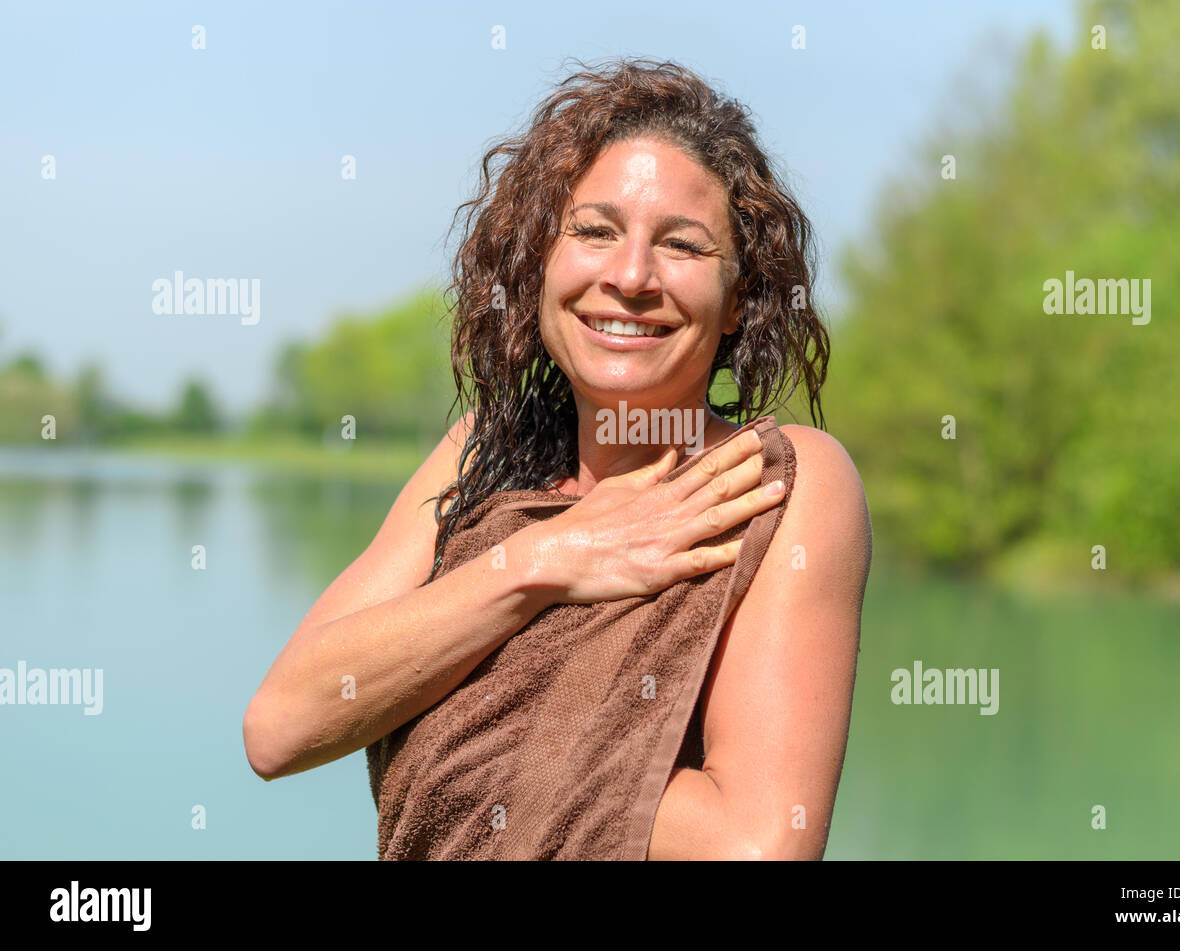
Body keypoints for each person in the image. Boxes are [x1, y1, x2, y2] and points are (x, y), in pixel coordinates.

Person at [243, 57, 871, 860]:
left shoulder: (773, 481)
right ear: (542, 261)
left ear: (739, 299)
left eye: (681, 244)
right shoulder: (481, 455)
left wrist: (453, 701)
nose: (630, 276)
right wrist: (547, 556)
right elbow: (279, 725)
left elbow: (754, 844)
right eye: (595, 230)